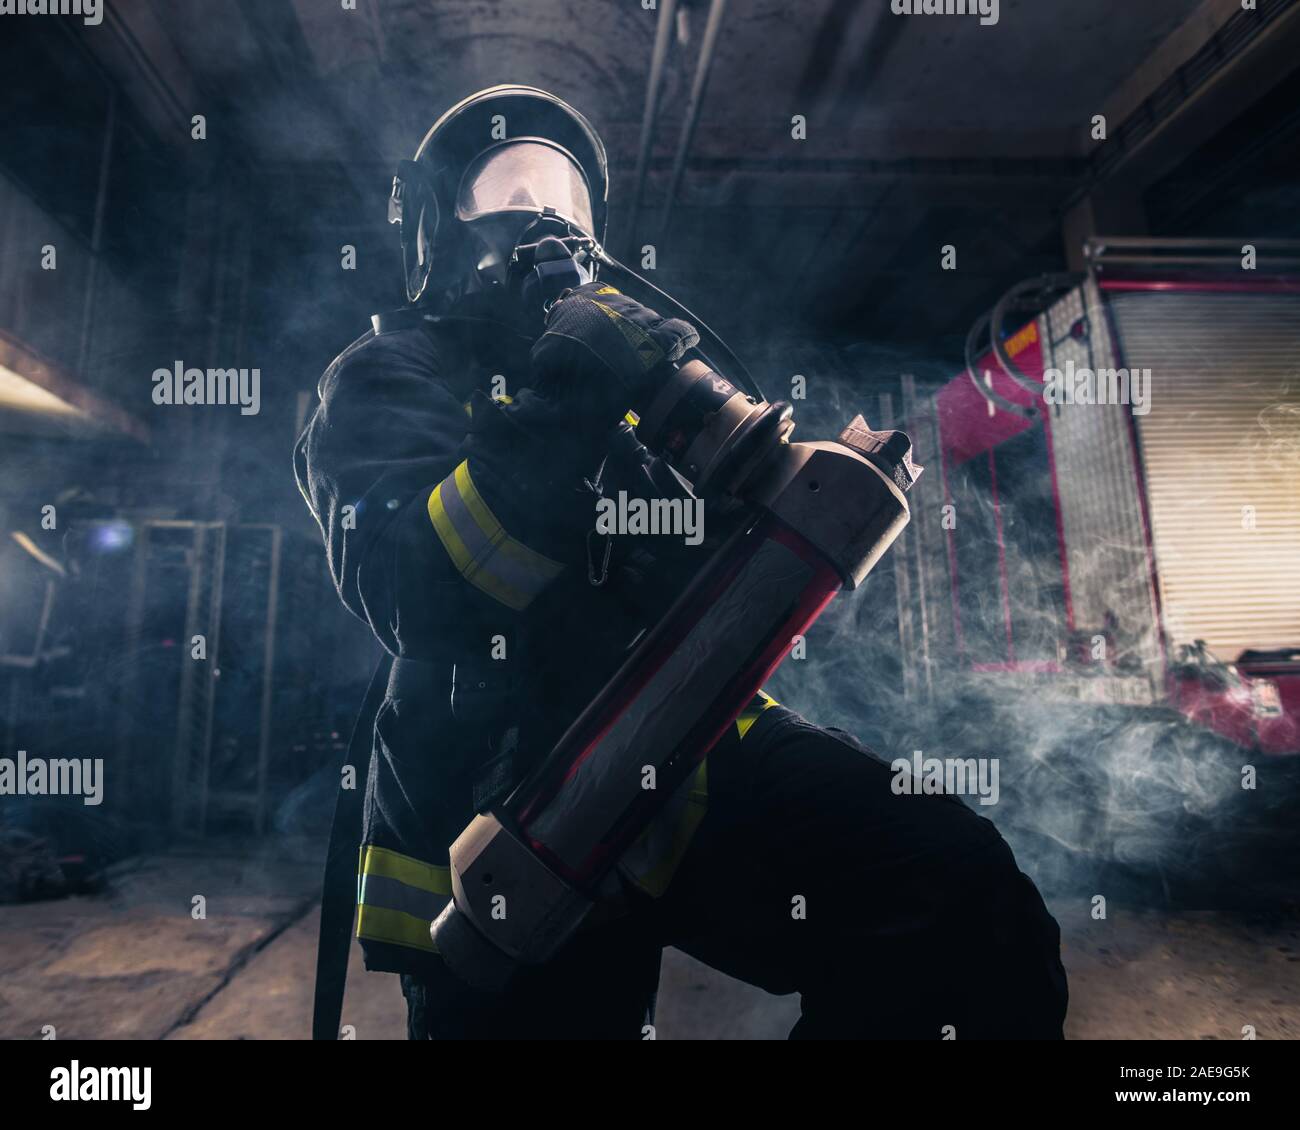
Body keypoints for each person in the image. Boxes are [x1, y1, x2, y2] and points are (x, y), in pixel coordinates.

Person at [294, 85, 1067, 1039]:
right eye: (506, 188)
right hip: (494, 815)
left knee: (955, 901)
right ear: (434, 227)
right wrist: (561, 413)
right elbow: (421, 592)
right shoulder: (386, 375)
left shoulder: (617, 354)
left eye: (565, 199)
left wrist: (783, 495)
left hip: (677, 753)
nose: (544, 218)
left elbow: (692, 569)